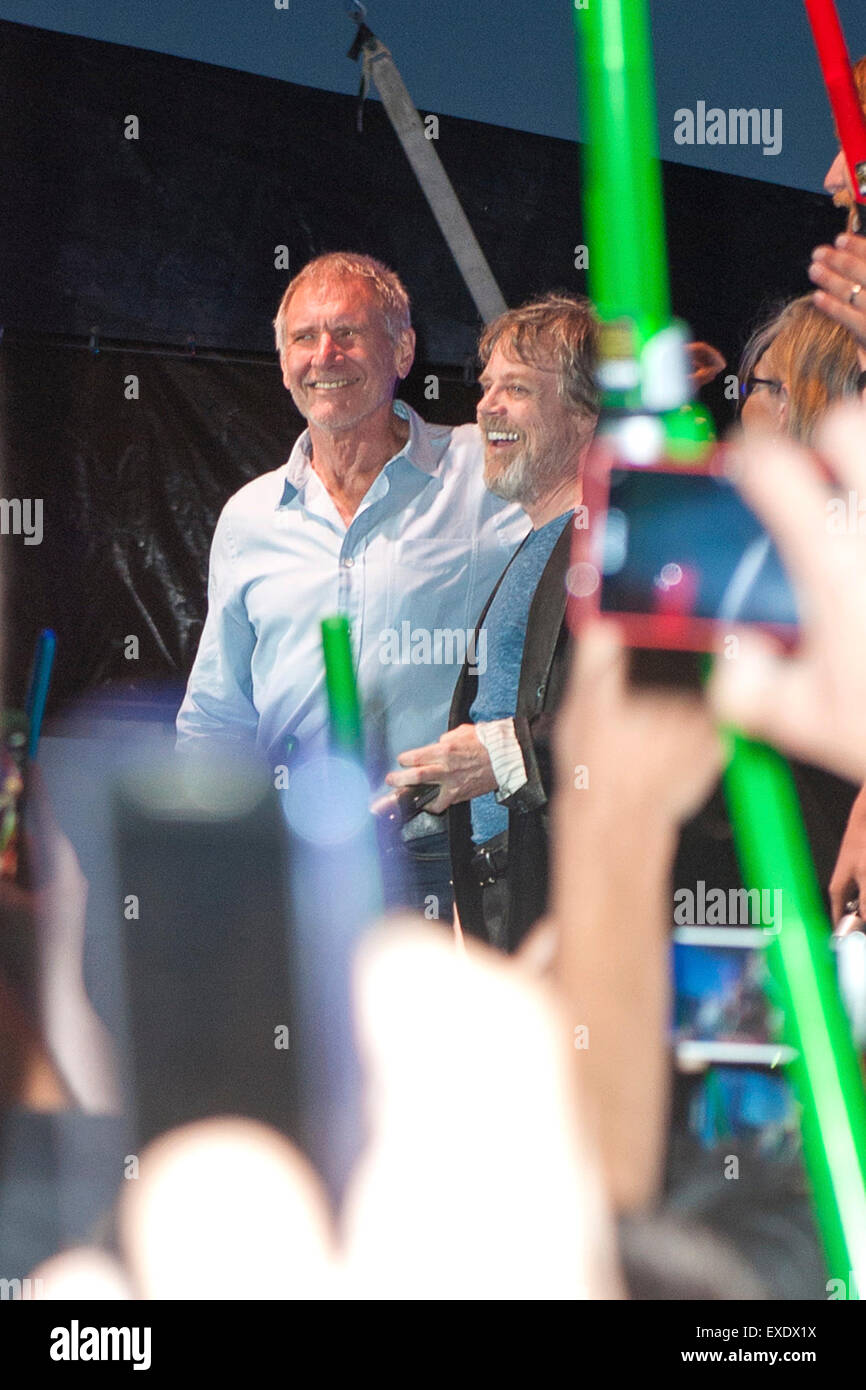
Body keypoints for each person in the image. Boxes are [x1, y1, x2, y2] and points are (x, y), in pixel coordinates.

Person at [176, 252, 528, 916]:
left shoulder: (482, 477)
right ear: (282, 364)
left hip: (436, 863)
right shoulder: (249, 516)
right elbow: (217, 712)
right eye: (304, 338)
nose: (324, 354)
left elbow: (581, 479)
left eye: (348, 333)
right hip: (283, 864)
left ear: (402, 351)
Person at [382, 294, 598, 951]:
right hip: (504, 901)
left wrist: (494, 759)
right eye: (486, 386)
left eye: (518, 388)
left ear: (587, 413)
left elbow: (626, 720)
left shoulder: (609, 546)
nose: (487, 406)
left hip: (570, 914)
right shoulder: (539, 545)